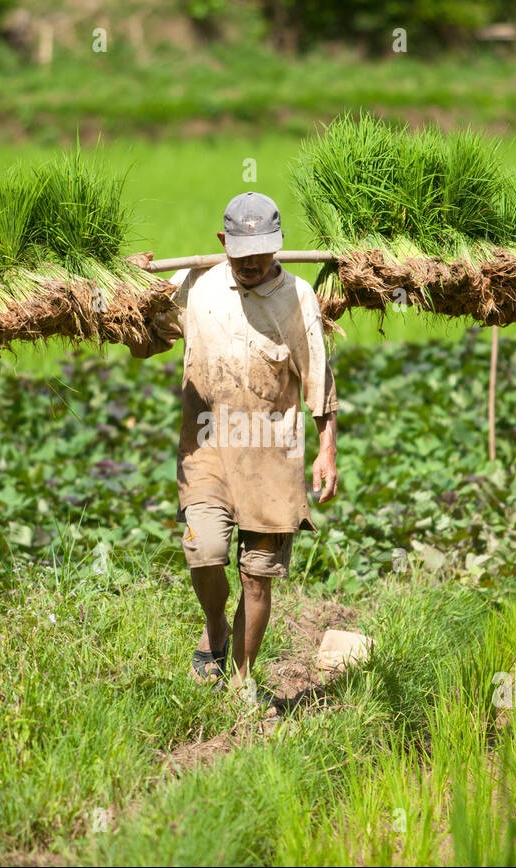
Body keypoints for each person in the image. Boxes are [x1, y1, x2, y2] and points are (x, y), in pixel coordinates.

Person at [129, 192, 339, 700]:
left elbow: (318, 376)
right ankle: (217, 628)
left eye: (262, 254)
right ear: (223, 242)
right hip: (208, 446)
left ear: (278, 247)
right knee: (205, 549)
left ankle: (242, 681)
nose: (250, 263)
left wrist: (326, 447)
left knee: (257, 575)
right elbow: (140, 342)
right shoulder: (194, 287)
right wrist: (130, 290)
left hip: (272, 451)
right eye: (241, 253)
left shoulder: (299, 297)